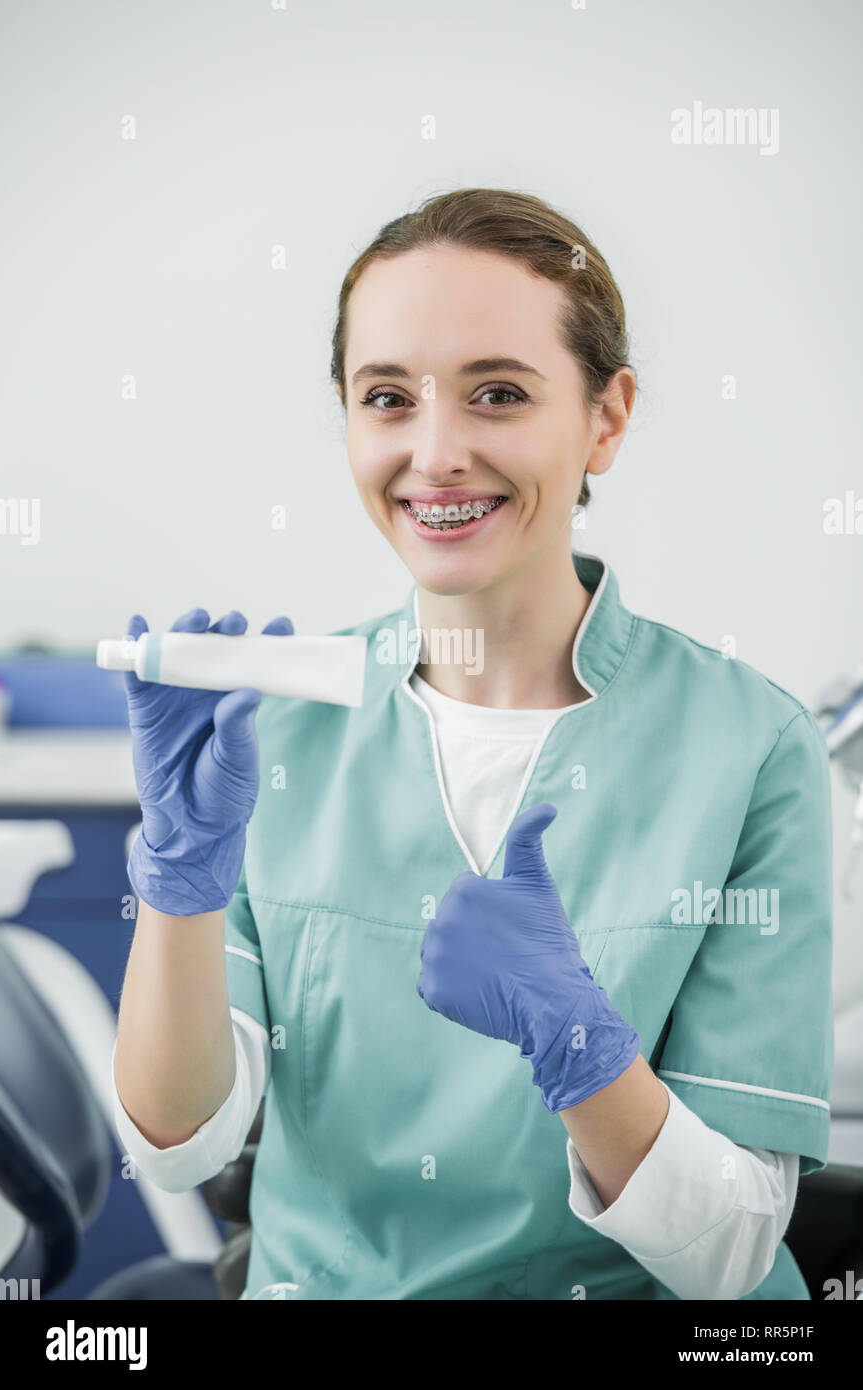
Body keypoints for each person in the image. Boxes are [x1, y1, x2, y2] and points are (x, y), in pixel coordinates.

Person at [112, 187, 833, 1301]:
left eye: (498, 393)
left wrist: (578, 1045)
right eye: (388, 398)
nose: (436, 453)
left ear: (607, 416)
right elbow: (181, 1142)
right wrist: (178, 884)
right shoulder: (279, 723)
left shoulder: (751, 749)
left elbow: (736, 1253)